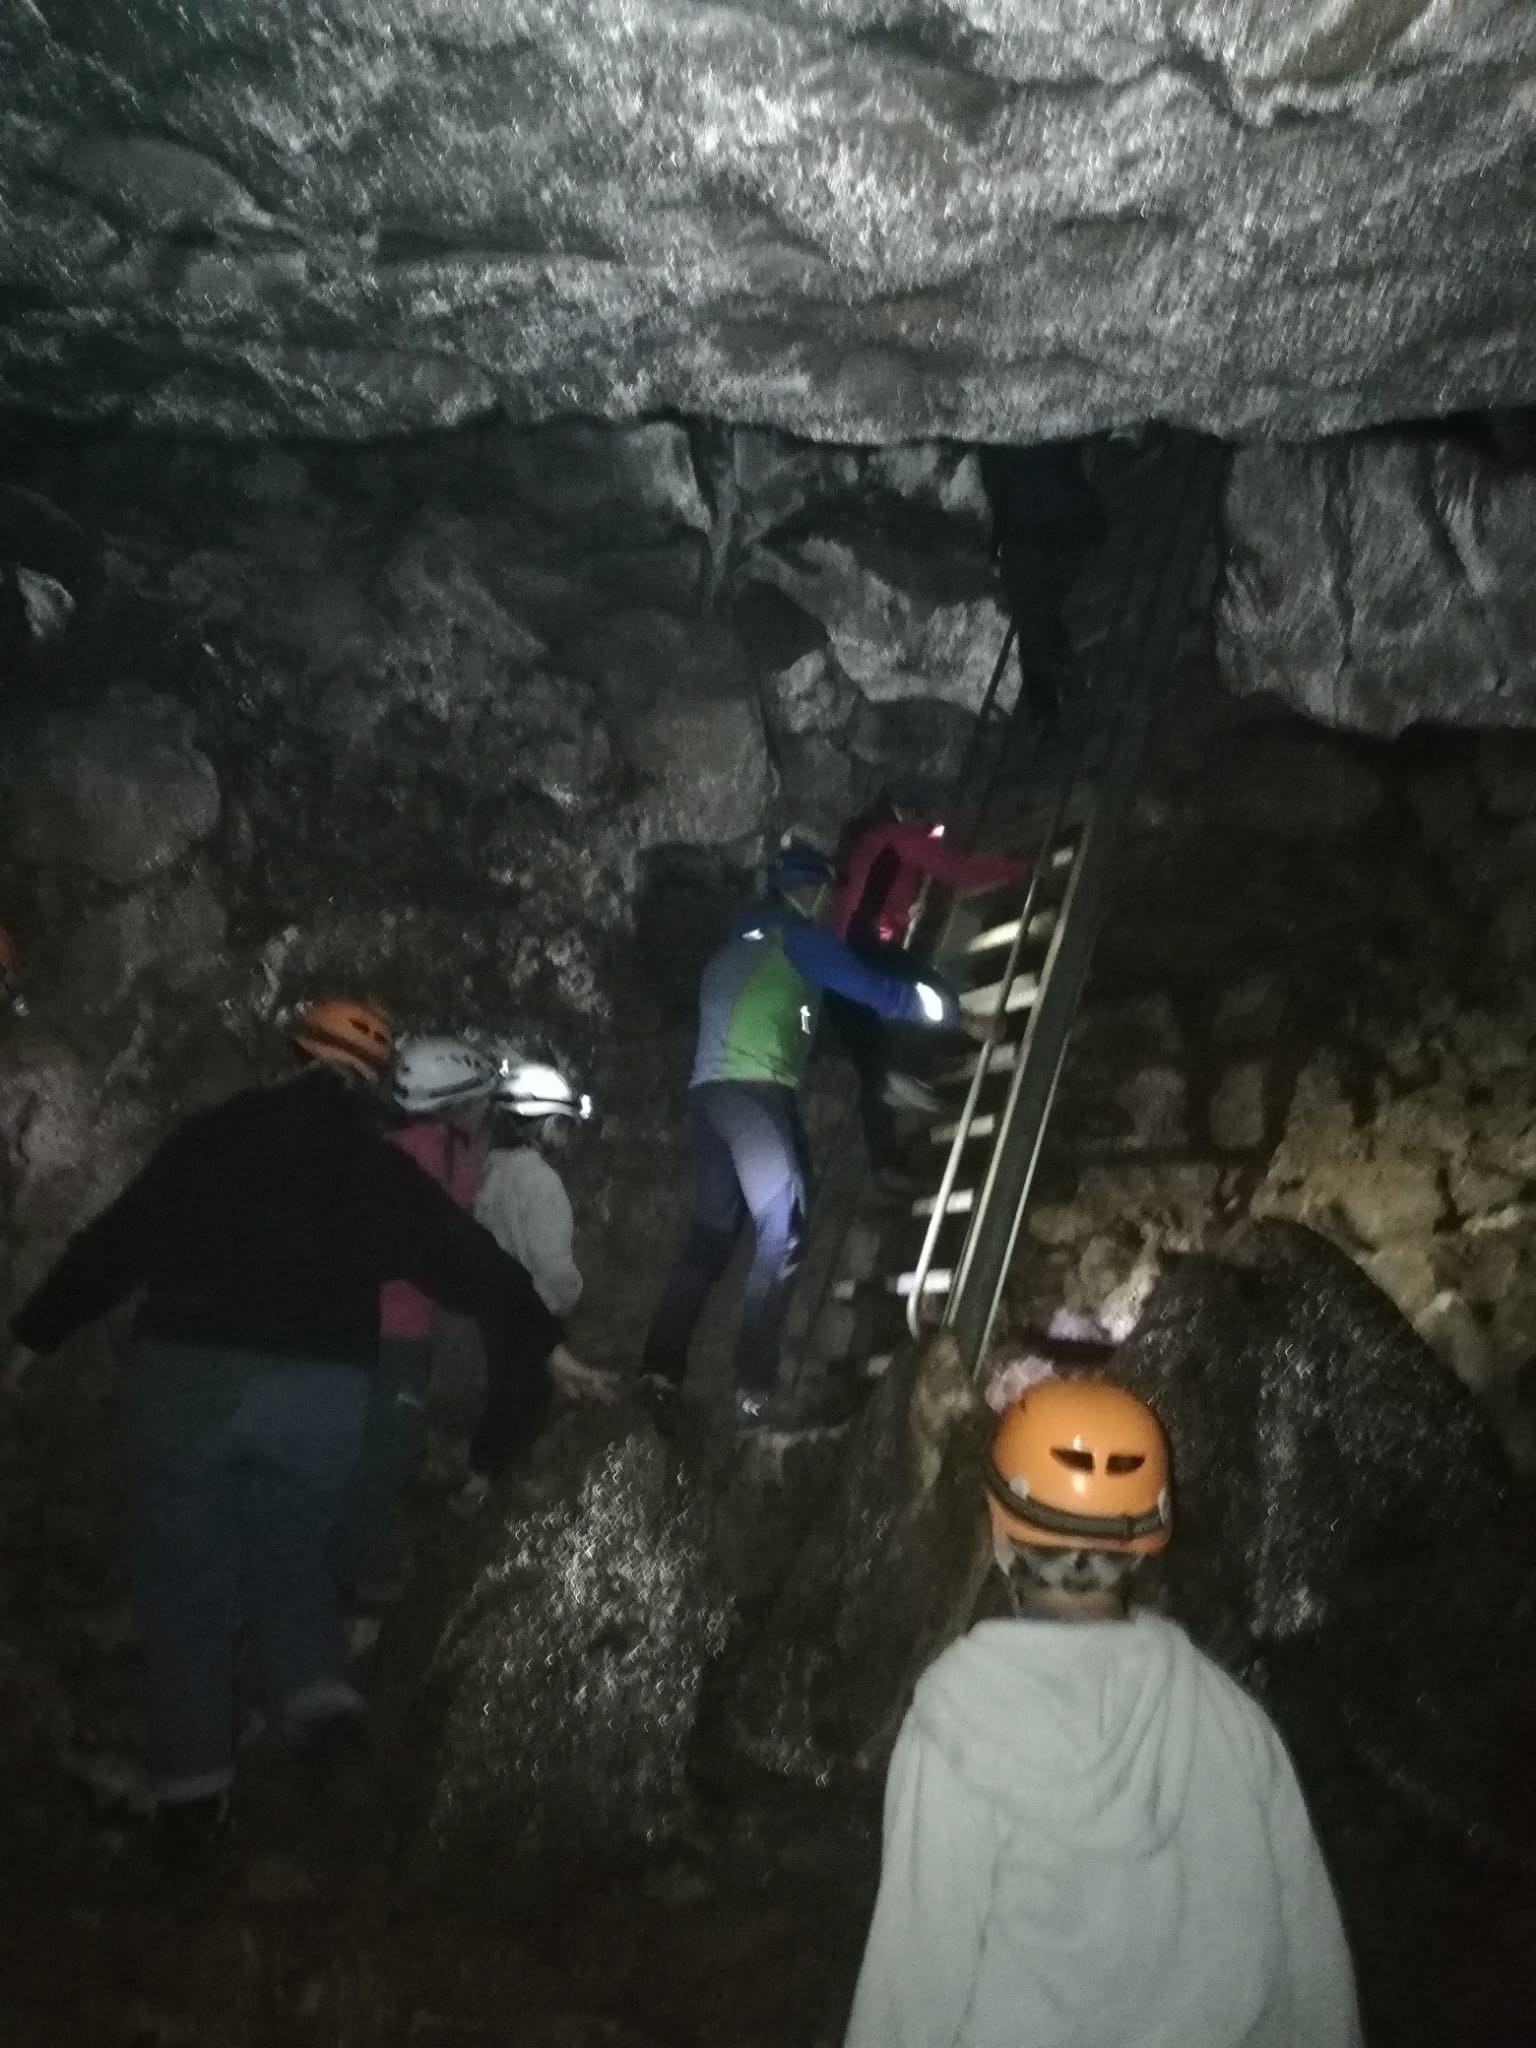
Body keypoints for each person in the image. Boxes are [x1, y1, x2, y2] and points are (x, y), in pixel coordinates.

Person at [6, 997, 567, 1858]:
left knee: (188, 1588)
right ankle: (321, 1708)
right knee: (292, 1553)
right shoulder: (371, 1167)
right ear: (373, 1085)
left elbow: (118, 1242)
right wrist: (548, 1349)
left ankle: (194, 1799)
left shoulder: (215, 1137)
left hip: (191, 1377)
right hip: (322, 1391)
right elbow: (470, 1264)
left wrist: (34, 1337)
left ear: (294, 1053)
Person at [844, 1376, 1362, 2048]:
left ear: (1001, 1534)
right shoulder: (1231, 1717)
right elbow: (1314, 1964)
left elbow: (913, 1985)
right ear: (1149, 1539)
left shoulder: (956, 1727)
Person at [642, 838, 968, 1430]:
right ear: (811, 890)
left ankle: (658, 1370)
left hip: (706, 1099)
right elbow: (869, 986)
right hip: (752, 1096)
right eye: (824, 892)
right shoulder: (797, 939)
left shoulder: (729, 949)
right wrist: (941, 1011)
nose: (826, 903)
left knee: (710, 1238)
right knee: (783, 1227)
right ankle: (752, 1387)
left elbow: (787, 1015)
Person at [334, 1035, 496, 1604]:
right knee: (388, 1448)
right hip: (394, 1329)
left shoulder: (398, 1145)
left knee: (360, 1447)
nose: (486, 1112)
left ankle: (339, 1569)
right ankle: (357, 1577)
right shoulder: (433, 1155)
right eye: (480, 1101)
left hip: (359, 1323)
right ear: (454, 1104)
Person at [830, 781, 1027, 1165]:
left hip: (838, 958)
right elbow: (957, 871)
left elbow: (869, 899)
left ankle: (888, 1163)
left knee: (872, 1057)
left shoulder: (868, 846)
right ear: (909, 812)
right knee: (928, 985)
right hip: (860, 947)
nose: (928, 829)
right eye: (924, 819)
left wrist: (900, 917)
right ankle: (972, 1025)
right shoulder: (896, 837)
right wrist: (1016, 870)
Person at [453, 1056, 613, 1513]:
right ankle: (499, 1487)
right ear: (538, 1124)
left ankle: (479, 1476)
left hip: (493, 1305)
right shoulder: (541, 1181)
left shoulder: (489, 1169)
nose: (564, 1135)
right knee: (526, 1396)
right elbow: (552, 1261)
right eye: (560, 1124)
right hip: (534, 1305)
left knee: (505, 1388)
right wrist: (568, 1298)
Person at [978, 439, 1107, 728]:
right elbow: (1073, 460)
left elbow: (997, 487)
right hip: (1061, 528)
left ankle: (1046, 710)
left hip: (1029, 534)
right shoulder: (1047, 431)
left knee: (1031, 621)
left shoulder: (999, 442)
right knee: (1038, 612)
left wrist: (997, 541)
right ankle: (1060, 670)